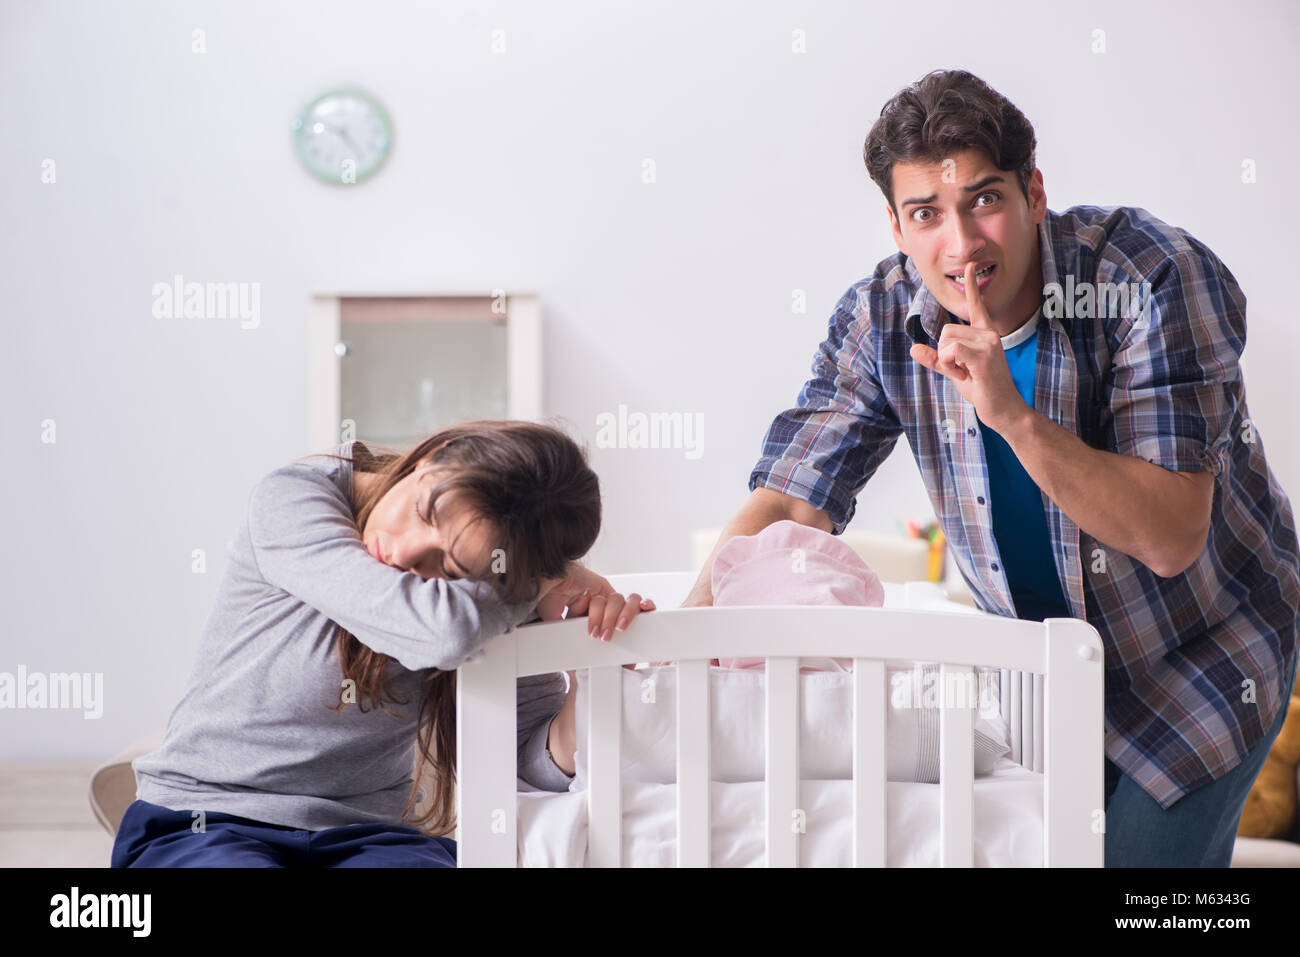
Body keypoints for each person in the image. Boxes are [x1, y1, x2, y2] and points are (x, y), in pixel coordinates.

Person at [678, 69, 1299, 867]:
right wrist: (681, 628)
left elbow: (1171, 533)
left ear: (1033, 193)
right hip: (1053, 675)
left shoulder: (1152, 278)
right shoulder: (881, 319)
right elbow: (796, 501)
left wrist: (1009, 413)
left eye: (984, 200)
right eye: (927, 214)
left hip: (1207, 647)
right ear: (897, 226)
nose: (962, 244)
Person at [112, 419, 653, 867]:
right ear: (432, 457)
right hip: (204, 821)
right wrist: (540, 583)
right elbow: (438, 634)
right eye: (423, 513)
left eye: (449, 567)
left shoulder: (492, 595)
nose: (405, 553)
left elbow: (526, 759)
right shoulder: (296, 497)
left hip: (369, 837)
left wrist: (588, 669)